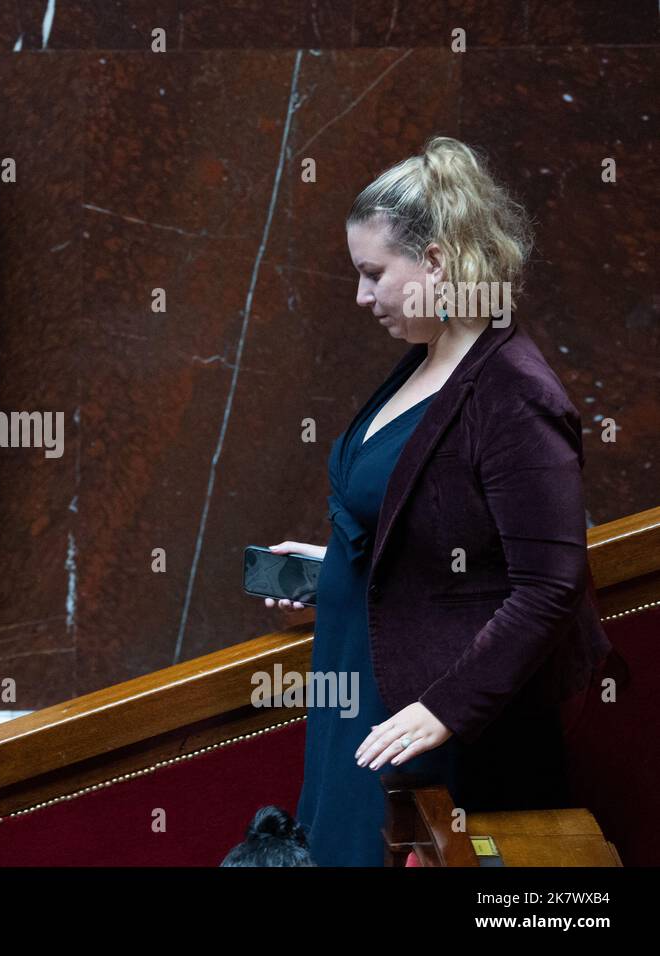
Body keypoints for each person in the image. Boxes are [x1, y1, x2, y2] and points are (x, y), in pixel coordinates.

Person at [260, 136, 612, 866]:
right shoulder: (425, 361)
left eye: (372, 274)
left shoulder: (515, 391)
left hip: (437, 728)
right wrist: (335, 567)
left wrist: (445, 709)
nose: (362, 297)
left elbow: (550, 586)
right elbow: (446, 532)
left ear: (437, 263)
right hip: (360, 691)